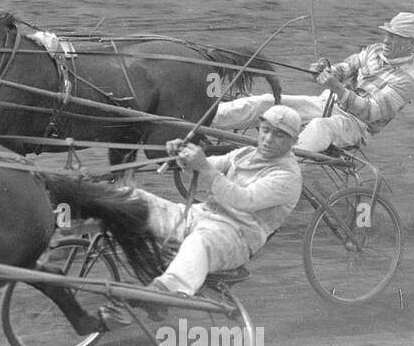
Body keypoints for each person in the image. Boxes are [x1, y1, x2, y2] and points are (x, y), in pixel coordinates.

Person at [120, 104, 303, 304]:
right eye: (266, 130)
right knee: (131, 198)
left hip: (234, 237)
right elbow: (207, 165)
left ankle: (162, 293)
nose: (268, 139)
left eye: (279, 135)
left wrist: (204, 167)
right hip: (199, 216)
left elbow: (244, 199)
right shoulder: (246, 153)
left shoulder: (287, 177)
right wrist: (183, 155)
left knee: (198, 242)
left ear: (293, 141)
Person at [212, 13, 414, 155]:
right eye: (387, 34)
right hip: (326, 103)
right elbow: (346, 67)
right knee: (268, 103)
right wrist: (327, 70)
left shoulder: (406, 80)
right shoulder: (375, 50)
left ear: (410, 43)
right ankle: (204, 119)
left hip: (355, 126)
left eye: (394, 37)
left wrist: (337, 88)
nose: (386, 40)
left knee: (319, 127)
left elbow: (369, 113)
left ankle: (275, 172)